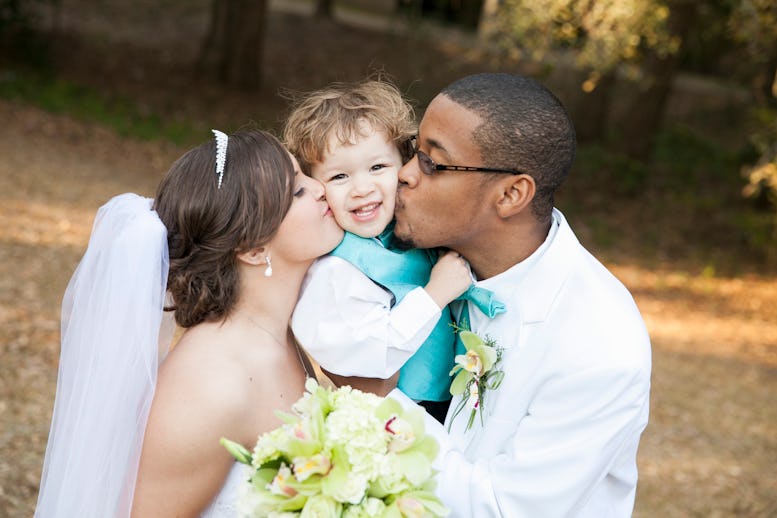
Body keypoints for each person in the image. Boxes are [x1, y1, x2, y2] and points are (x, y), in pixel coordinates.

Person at [34, 129, 344, 517]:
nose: (320, 188)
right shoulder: (209, 384)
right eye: (297, 191)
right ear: (253, 248)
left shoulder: (283, 335)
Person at [388, 73, 652, 516]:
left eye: (433, 163)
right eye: (414, 150)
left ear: (511, 194)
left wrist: (371, 396)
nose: (404, 174)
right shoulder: (417, 260)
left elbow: (504, 509)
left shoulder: (600, 346)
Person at [284, 79, 495, 422]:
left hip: (458, 399)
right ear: (316, 187)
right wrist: (435, 295)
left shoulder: (410, 231)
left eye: (378, 167)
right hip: (403, 417)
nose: (362, 188)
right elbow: (370, 356)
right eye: (339, 177)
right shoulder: (336, 271)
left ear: (404, 166)